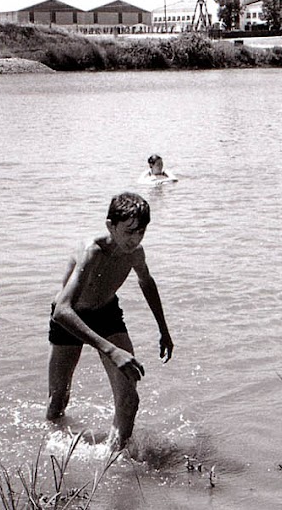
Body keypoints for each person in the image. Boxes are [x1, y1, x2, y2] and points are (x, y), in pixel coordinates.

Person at [47, 192, 173, 452]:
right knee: (58, 401)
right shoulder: (92, 252)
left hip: (107, 313)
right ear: (110, 225)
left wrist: (164, 330)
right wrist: (111, 350)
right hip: (71, 318)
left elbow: (146, 281)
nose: (135, 239)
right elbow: (61, 310)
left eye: (141, 232)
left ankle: (115, 460)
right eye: (128, 232)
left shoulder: (136, 253)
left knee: (129, 399)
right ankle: (52, 454)